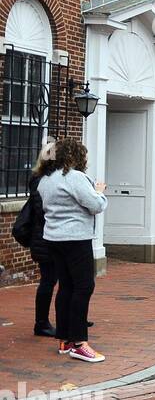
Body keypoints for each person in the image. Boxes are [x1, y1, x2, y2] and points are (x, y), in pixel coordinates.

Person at [38, 139, 108, 363]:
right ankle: (79, 342)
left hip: (53, 238)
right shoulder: (75, 177)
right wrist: (99, 192)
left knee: (66, 286)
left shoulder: (45, 179)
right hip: (76, 238)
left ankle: (65, 339)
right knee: (84, 286)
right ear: (75, 156)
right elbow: (95, 206)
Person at [27, 141, 60, 337]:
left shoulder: (39, 178)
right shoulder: (43, 181)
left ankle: (69, 317)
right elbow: (43, 211)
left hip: (45, 237)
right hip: (46, 238)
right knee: (48, 280)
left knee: (56, 278)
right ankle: (41, 323)